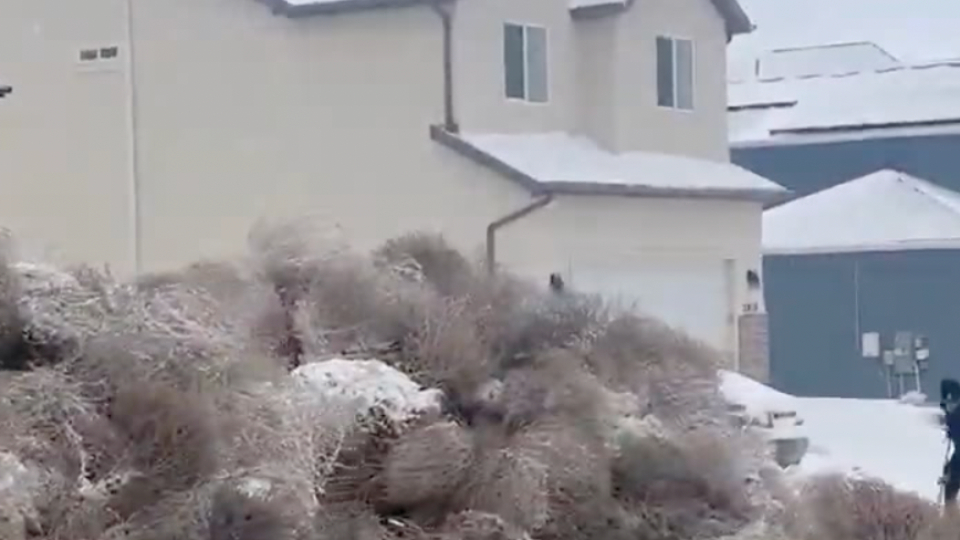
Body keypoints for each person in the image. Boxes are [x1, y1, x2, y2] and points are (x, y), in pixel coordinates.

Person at [940, 378, 960, 510]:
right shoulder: (952, 415)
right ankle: (950, 516)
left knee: (952, 479)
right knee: (950, 482)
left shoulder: (956, 416)